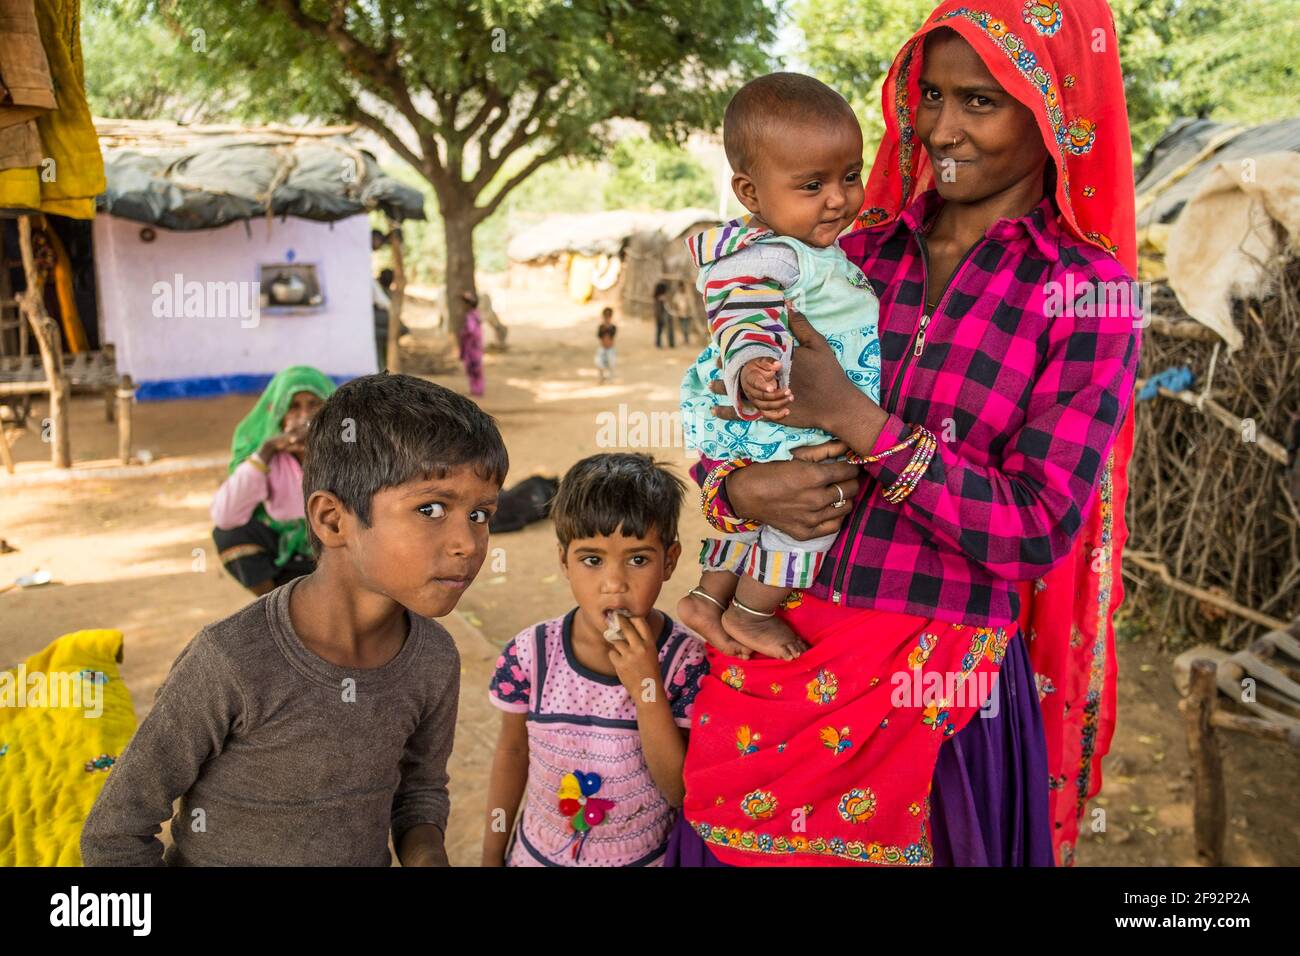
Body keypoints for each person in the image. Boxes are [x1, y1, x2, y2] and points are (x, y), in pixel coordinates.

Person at [669, 0, 1142, 867]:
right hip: (775, 650)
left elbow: (1035, 528)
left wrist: (856, 418)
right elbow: (729, 403)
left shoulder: (1086, 293)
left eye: (980, 101)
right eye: (929, 95)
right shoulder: (847, 251)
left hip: (937, 690)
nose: (942, 129)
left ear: (1054, 111)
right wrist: (737, 490)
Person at [81, 374, 510, 866]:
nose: (468, 543)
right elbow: (116, 832)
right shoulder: (231, 661)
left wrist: (426, 853)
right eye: (431, 508)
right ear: (332, 520)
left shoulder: (433, 658)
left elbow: (419, 793)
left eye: (481, 514)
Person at [677, 73, 882, 662]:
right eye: (812, 184)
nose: (839, 198)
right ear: (750, 191)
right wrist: (755, 365)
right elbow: (742, 310)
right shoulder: (775, 254)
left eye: (850, 176)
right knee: (812, 517)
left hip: (797, 409)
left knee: (778, 511)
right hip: (787, 408)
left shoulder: (814, 247)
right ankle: (752, 612)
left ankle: (706, 595)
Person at [481, 453, 708, 866]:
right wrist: (491, 856)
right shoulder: (530, 654)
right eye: (592, 559)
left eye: (638, 559)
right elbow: (512, 755)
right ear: (563, 561)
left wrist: (646, 685)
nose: (614, 583)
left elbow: (679, 791)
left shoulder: (685, 663)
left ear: (669, 561)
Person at [210, 366, 334, 596]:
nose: (304, 416)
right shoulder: (270, 456)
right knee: (230, 535)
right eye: (293, 407)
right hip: (285, 560)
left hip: (335, 557)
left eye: (314, 404)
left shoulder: (345, 452)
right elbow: (225, 516)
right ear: (279, 413)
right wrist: (267, 450)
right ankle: (272, 608)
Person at [459, 290, 486, 397]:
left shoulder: (470, 316)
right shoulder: (477, 314)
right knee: (477, 368)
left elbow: (471, 330)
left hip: (471, 346)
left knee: (473, 368)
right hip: (477, 346)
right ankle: (478, 388)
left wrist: (463, 333)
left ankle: (476, 389)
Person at [595, 306, 617, 383]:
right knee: (599, 363)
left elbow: (612, 336)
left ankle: (611, 378)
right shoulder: (601, 327)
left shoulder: (613, 327)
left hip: (610, 348)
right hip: (603, 348)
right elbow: (600, 336)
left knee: (612, 363)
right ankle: (601, 377)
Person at [653, 280, 675, 348]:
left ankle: (658, 343)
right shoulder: (661, 299)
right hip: (662, 315)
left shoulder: (656, 298)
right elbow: (665, 308)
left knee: (659, 330)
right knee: (665, 329)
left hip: (659, 315)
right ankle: (669, 343)